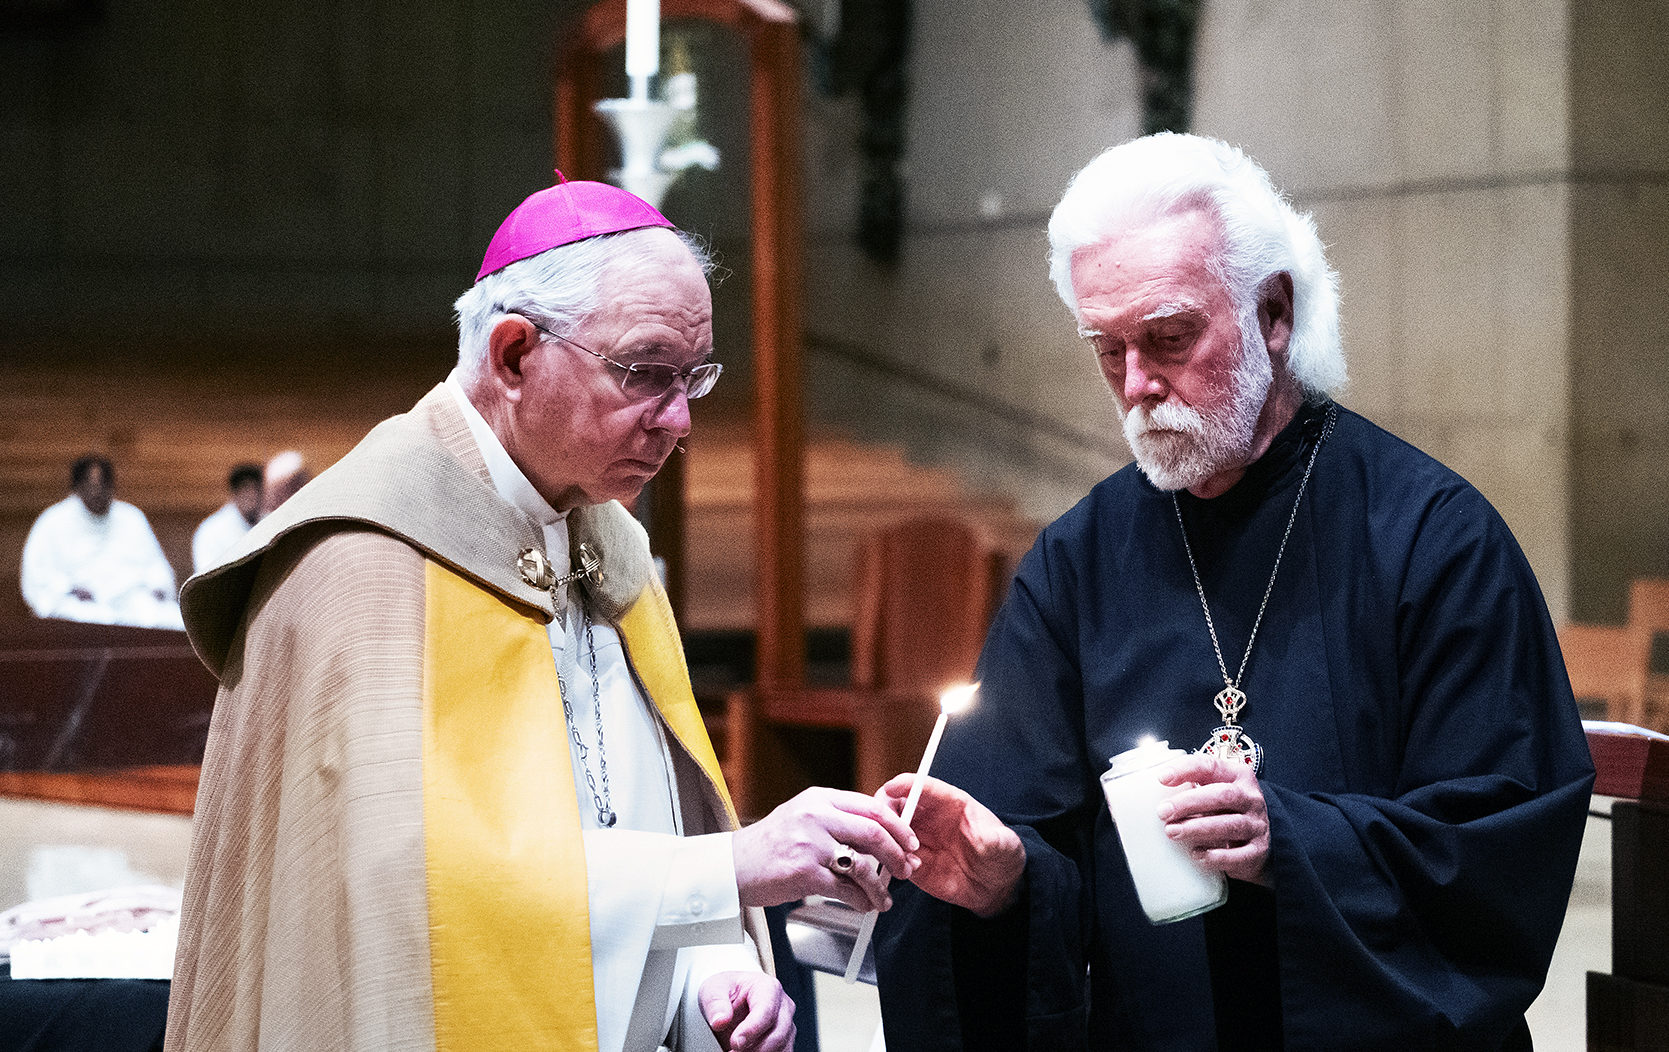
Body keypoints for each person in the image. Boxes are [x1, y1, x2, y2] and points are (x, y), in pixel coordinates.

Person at [873, 133, 1594, 1051]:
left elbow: (1501, 847)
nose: (1137, 386)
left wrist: (1285, 837)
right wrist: (1002, 881)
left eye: (1169, 338)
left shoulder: (1432, 537)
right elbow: (1016, 837)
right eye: (1106, 349)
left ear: (1273, 313)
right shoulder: (1077, 562)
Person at [166, 178, 921, 1052]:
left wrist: (715, 980)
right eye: (645, 373)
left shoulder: (612, 550)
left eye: (695, 378)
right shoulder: (361, 560)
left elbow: (643, 826)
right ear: (515, 356)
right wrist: (728, 869)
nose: (678, 421)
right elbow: (407, 911)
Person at [20, 454, 183, 629]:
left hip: (132, 600)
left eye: (102, 485)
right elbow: (38, 576)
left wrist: (158, 587)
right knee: (95, 621)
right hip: (81, 604)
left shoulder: (131, 517)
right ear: (77, 487)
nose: (97, 492)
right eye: (91, 486)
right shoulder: (53, 521)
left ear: (112, 487)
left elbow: (157, 567)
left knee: (175, 621)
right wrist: (69, 588)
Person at [190, 462, 264, 574]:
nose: (252, 495)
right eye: (245, 489)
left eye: (256, 489)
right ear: (234, 494)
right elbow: (206, 576)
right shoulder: (211, 530)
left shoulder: (270, 522)